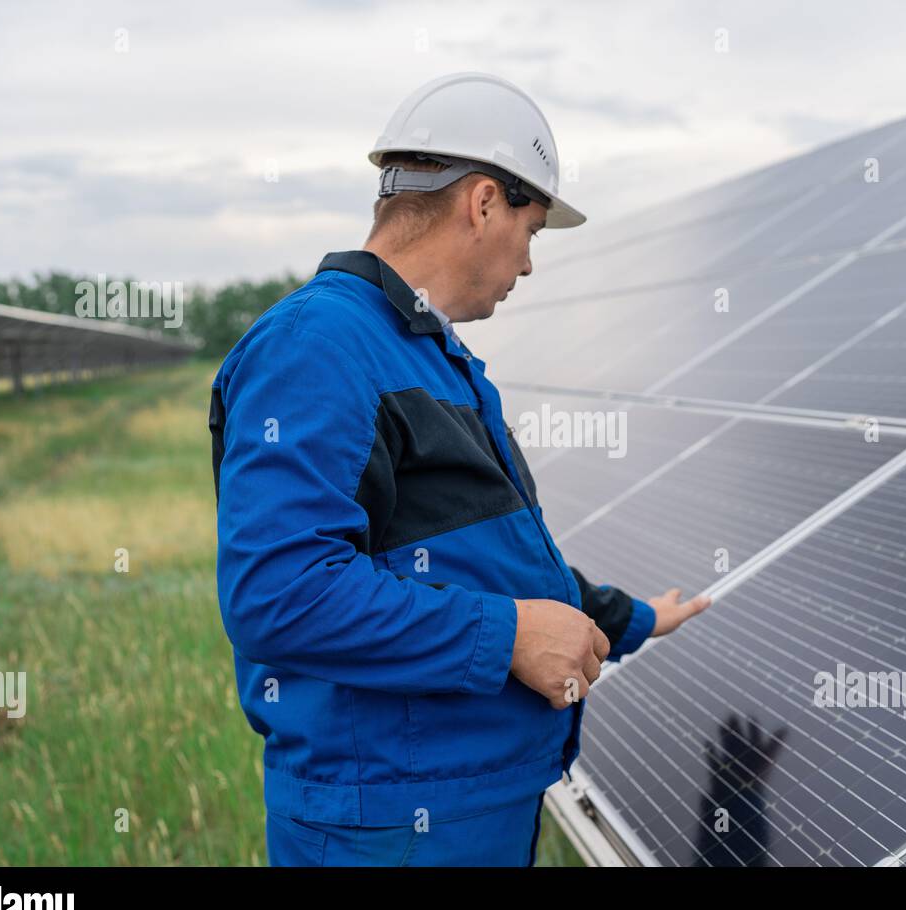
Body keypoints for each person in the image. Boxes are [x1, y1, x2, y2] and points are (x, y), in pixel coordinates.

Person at [208, 72, 710, 867]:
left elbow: (485, 559)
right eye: (533, 230)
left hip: (464, 808)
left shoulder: (432, 357)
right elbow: (280, 594)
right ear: (482, 203)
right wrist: (507, 636)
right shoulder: (318, 346)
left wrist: (633, 619)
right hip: (390, 827)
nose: (531, 265)